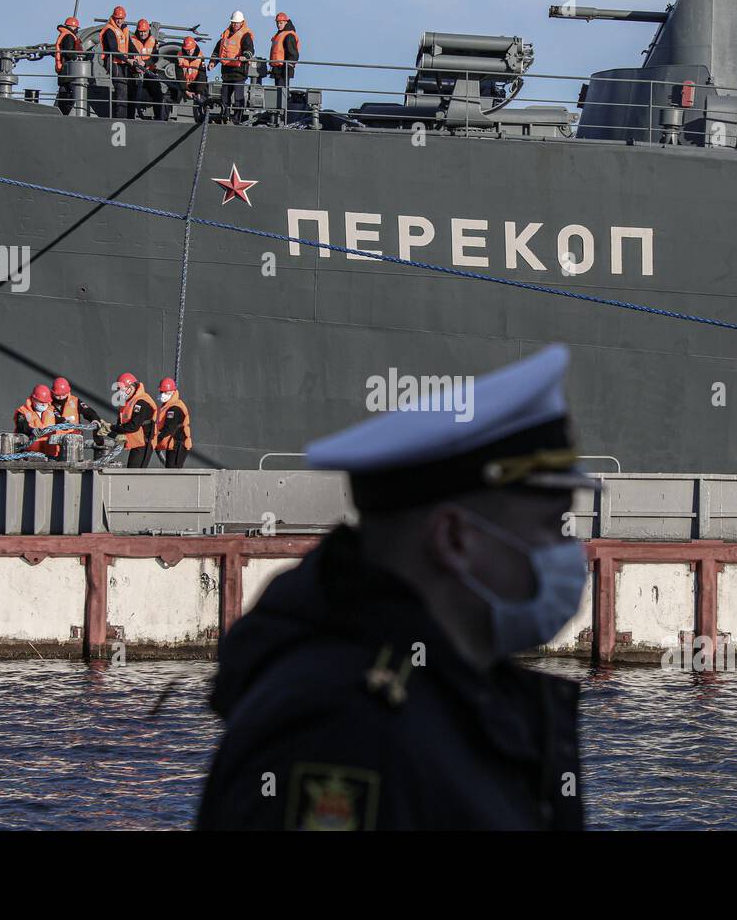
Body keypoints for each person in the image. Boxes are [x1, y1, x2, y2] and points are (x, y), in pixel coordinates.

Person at [198, 345, 599, 830]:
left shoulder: (454, 697)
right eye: (554, 525)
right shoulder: (340, 734)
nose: (573, 551)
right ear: (454, 539)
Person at [209, 11, 254, 124]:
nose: (234, 25)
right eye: (233, 22)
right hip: (227, 72)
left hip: (239, 72)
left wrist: (245, 56)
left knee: (238, 97)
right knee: (224, 96)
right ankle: (225, 116)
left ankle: (237, 119)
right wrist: (213, 62)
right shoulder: (226, 34)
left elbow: (250, 50)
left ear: (241, 23)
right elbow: (218, 50)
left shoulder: (245, 35)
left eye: (237, 23)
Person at [108, 372, 157, 468]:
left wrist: (112, 427)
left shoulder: (141, 402)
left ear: (130, 388)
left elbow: (133, 426)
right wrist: (110, 430)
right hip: (136, 442)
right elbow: (121, 423)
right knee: (132, 470)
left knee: (136, 473)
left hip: (144, 444)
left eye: (121, 389)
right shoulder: (128, 403)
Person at [128, 19, 169, 121]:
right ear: (138, 31)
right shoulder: (131, 40)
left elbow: (155, 57)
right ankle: (130, 117)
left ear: (148, 31)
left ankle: (159, 117)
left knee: (157, 92)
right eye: (141, 31)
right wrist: (136, 65)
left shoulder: (153, 41)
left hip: (149, 72)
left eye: (145, 31)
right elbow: (128, 55)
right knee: (131, 93)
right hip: (135, 73)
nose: (143, 34)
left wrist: (145, 64)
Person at [100, 6, 132, 119]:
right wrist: (128, 60)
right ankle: (120, 118)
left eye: (121, 18)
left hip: (122, 63)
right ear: (113, 17)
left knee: (127, 87)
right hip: (113, 62)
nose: (119, 20)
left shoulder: (124, 30)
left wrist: (138, 60)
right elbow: (113, 49)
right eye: (117, 18)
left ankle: (127, 115)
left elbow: (131, 47)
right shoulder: (109, 30)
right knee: (121, 88)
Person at [153, 377, 192, 468]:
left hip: (178, 445)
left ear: (173, 391)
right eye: (161, 392)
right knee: (170, 470)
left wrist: (155, 440)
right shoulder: (168, 406)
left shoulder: (175, 408)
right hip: (172, 444)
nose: (163, 394)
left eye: (166, 392)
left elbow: (169, 428)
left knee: (173, 471)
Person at [50, 376, 99, 448]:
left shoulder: (75, 401)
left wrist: (95, 419)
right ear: (52, 392)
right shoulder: (46, 403)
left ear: (68, 392)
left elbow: (89, 412)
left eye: (63, 395)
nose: (61, 398)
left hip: (73, 443)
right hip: (52, 443)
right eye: (57, 395)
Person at [268, 12, 300, 123]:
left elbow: (293, 54)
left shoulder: (289, 35)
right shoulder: (280, 34)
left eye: (281, 23)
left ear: (286, 22)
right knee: (278, 93)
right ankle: (278, 115)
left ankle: (283, 116)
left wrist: (289, 65)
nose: (279, 25)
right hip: (278, 69)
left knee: (282, 93)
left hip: (284, 70)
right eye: (277, 23)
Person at [54, 17, 86, 116]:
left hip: (64, 68)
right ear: (73, 27)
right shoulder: (69, 36)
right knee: (67, 91)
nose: (77, 30)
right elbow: (69, 51)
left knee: (64, 90)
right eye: (76, 28)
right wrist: (76, 58)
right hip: (68, 69)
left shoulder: (64, 35)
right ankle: (65, 111)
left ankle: (63, 110)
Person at [13, 384, 57, 456]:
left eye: (45, 402)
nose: (43, 404)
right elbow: (22, 425)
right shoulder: (22, 412)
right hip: (27, 454)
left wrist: (64, 421)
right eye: (40, 402)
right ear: (33, 399)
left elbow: (60, 420)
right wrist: (31, 430)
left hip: (49, 454)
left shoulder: (52, 410)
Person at [173, 36, 206, 115]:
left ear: (194, 46)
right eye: (187, 50)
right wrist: (186, 91)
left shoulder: (200, 56)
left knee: (203, 97)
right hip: (183, 83)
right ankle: (166, 118)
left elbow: (202, 75)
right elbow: (180, 76)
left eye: (190, 49)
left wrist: (199, 92)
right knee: (170, 96)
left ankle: (201, 117)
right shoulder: (179, 57)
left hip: (195, 83)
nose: (189, 52)